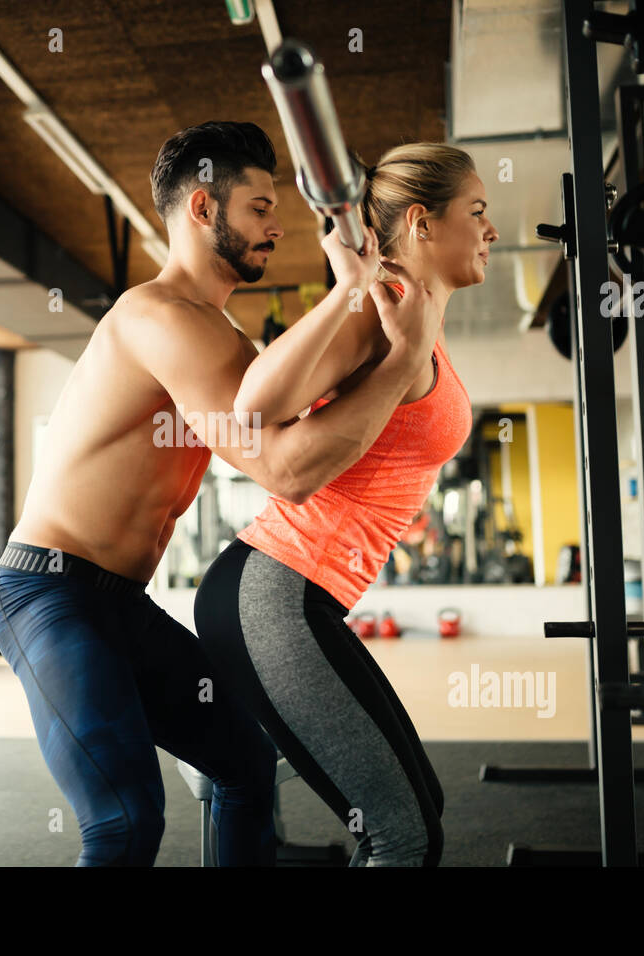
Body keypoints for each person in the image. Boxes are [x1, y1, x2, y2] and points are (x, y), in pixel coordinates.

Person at [0, 122, 435, 865]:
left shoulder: (227, 342)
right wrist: (389, 346)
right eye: (259, 207)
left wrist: (381, 319)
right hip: (48, 593)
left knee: (243, 763)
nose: (276, 224)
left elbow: (303, 425)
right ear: (203, 209)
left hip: (121, 602)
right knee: (126, 822)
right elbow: (286, 472)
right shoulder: (157, 318)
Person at [194, 143, 498, 866]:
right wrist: (350, 291)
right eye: (477, 212)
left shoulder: (415, 316)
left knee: (421, 810)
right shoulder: (377, 308)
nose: (491, 230)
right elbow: (254, 405)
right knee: (404, 837)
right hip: (274, 592)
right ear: (422, 223)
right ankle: (218, 750)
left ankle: (223, 754)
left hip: (301, 598)